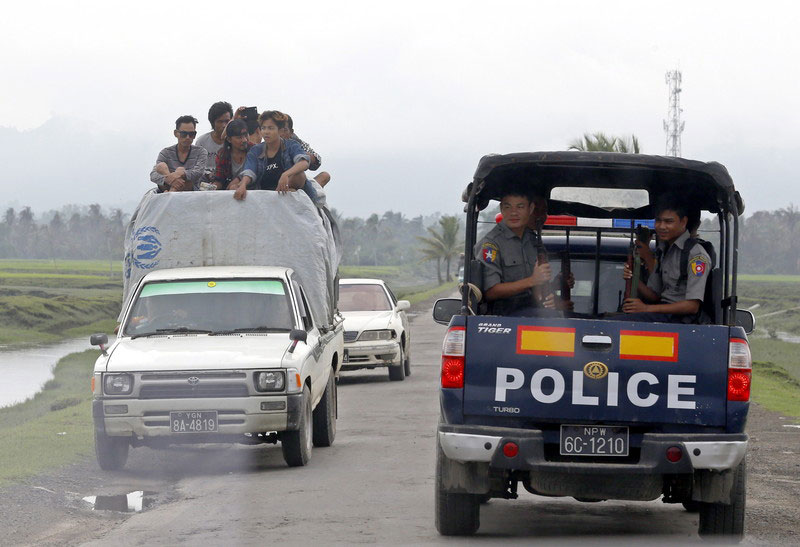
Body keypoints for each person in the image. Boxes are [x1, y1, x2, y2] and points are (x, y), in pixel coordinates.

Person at [621, 195, 712, 322]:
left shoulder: (696, 255)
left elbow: (692, 306)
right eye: (658, 221)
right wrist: (632, 277)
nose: (662, 226)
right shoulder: (664, 250)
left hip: (681, 321)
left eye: (669, 222)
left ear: (683, 222)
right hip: (662, 315)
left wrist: (645, 309)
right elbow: (654, 296)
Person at [475, 190, 554, 315]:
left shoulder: (533, 241)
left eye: (520, 207)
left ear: (531, 208)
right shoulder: (491, 244)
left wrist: (546, 298)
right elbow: (490, 292)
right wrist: (532, 281)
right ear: (501, 209)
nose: (513, 213)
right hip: (502, 316)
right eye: (507, 207)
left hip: (531, 310)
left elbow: (539, 283)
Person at [230, 110, 311, 201]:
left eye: (270, 128)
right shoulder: (256, 150)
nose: (266, 132)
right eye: (263, 128)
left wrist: (286, 175)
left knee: (300, 175)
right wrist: (243, 184)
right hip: (263, 191)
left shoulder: (291, 145)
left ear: (280, 131)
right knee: (233, 187)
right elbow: (249, 171)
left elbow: (304, 162)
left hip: (286, 187)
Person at [150, 115, 207, 192]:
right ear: (176, 133)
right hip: (167, 186)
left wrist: (180, 174)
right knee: (161, 166)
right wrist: (170, 179)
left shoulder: (200, 152)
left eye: (191, 134)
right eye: (184, 134)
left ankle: (170, 194)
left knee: (181, 171)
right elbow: (153, 175)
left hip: (190, 191)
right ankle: (172, 192)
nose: (187, 137)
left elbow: (198, 172)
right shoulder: (166, 153)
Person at [195, 101, 233, 179]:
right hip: (206, 182)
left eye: (227, 121)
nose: (224, 125)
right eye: (220, 121)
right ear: (213, 122)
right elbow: (196, 167)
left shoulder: (235, 141)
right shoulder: (202, 141)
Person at [213, 119, 253, 190]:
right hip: (230, 194)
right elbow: (219, 179)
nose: (244, 140)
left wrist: (238, 183)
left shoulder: (254, 150)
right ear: (229, 139)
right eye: (239, 137)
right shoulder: (223, 154)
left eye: (245, 135)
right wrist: (212, 187)